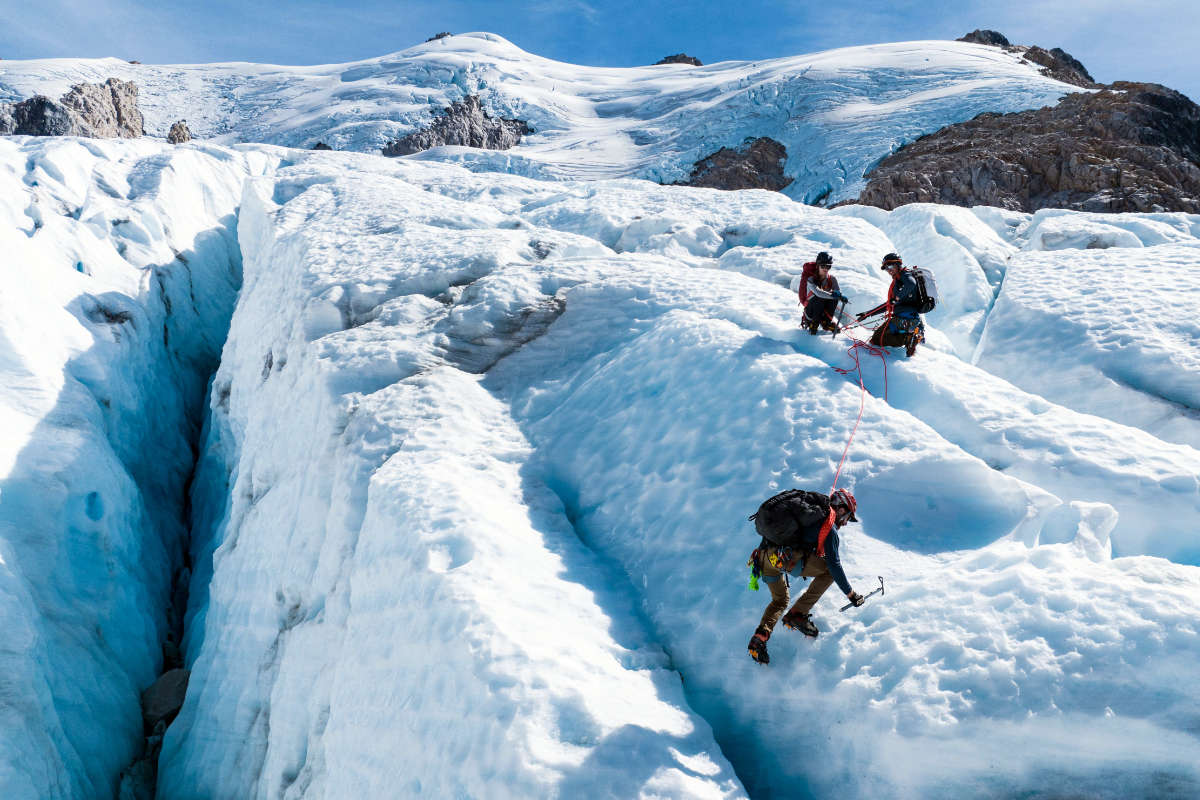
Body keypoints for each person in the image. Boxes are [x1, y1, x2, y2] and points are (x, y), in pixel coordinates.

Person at [747, 489, 864, 665]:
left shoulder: (807, 516)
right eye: (847, 516)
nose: (846, 522)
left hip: (764, 557)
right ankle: (797, 614)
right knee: (828, 571)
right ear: (840, 509)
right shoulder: (828, 526)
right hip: (783, 559)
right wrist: (851, 594)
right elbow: (834, 565)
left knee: (779, 600)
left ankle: (759, 638)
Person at [856, 252, 925, 357]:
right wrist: (868, 314)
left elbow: (911, 283)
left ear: (898, 264)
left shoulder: (905, 275)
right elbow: (890, 304)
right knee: (876, 339)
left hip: (904, 317)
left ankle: (909, 337)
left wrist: (897, 298)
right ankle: (911, 335)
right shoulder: (898, 280)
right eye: (886, 267)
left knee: (876, 340)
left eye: (890, 265)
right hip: (906, 317)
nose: (888, 269)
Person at [801, 252, 849, 335]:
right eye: (823, 266)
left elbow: (837, 291)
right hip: (811, 313)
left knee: (834, 299)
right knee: (819, 297)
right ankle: (814, 323)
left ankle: (826, 323)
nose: (825, 268)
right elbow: (818, 293)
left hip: (822, 310)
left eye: (828, 266)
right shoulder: (811, 280)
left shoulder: (832, 279)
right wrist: (834, 295)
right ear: (817, 266)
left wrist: (840, 296)